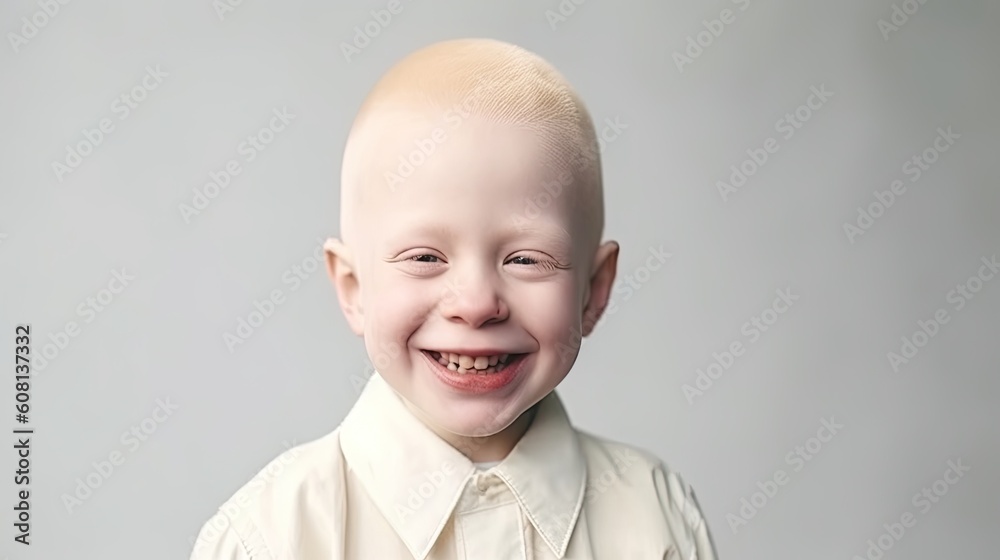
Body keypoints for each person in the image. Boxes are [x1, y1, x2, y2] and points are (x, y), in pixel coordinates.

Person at [190, 37, 717, 559]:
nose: (476, 302)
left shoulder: (655, 518)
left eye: (526, 259)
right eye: (425, 257)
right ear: (353, 289)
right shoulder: (270, 537)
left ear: (593, 292)